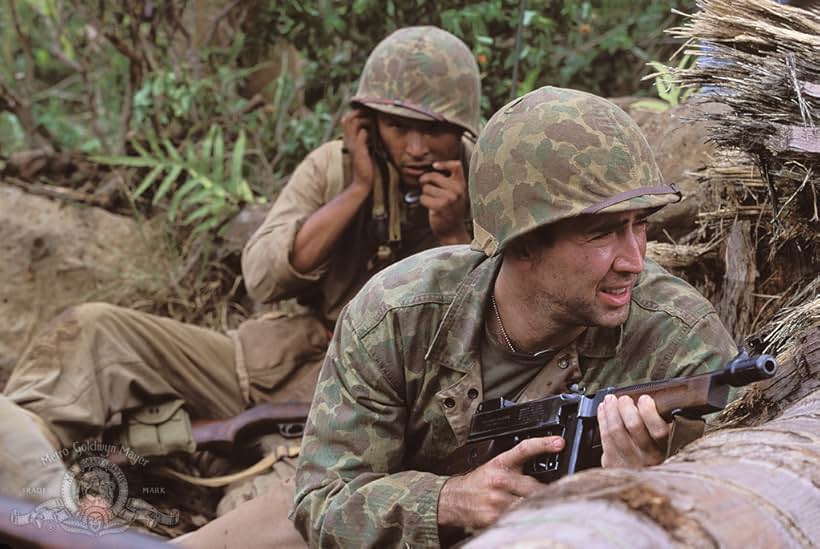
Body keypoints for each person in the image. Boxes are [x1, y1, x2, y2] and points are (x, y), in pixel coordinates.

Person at [0, 26, 481, 547]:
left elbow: (476, 338)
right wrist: (357, 191)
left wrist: (452, 235)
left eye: (431, 129)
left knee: (283, 506)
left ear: (461, 130)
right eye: (395, 124)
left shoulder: (484, 187)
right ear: (366, 125)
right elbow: (262, 276)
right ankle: (22, 460)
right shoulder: (335, 169)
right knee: (95, 330)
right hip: (260, 358)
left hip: (352, 401)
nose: (412, 146)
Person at [291, 86, 739, 547]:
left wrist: (648, 491)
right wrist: (450, 500)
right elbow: (324, 501)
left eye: (640, 224)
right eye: (602, 233)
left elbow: (746, 509)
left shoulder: (680, 340)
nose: (634, 260)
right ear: (523, 242)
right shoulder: (396, 317)